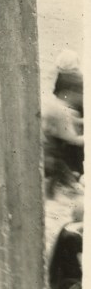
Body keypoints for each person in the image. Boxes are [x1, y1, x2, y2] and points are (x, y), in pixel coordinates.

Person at [43, 53, 84, 197]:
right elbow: (72, 138)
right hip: (54, 156)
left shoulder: (56, 103)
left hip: (51, 150)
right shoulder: (63, 109)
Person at [48, 205, 83, 289]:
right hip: (64, 282)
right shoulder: (75, 237)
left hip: (55, 278)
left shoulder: (66, 227)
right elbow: (81, 262)